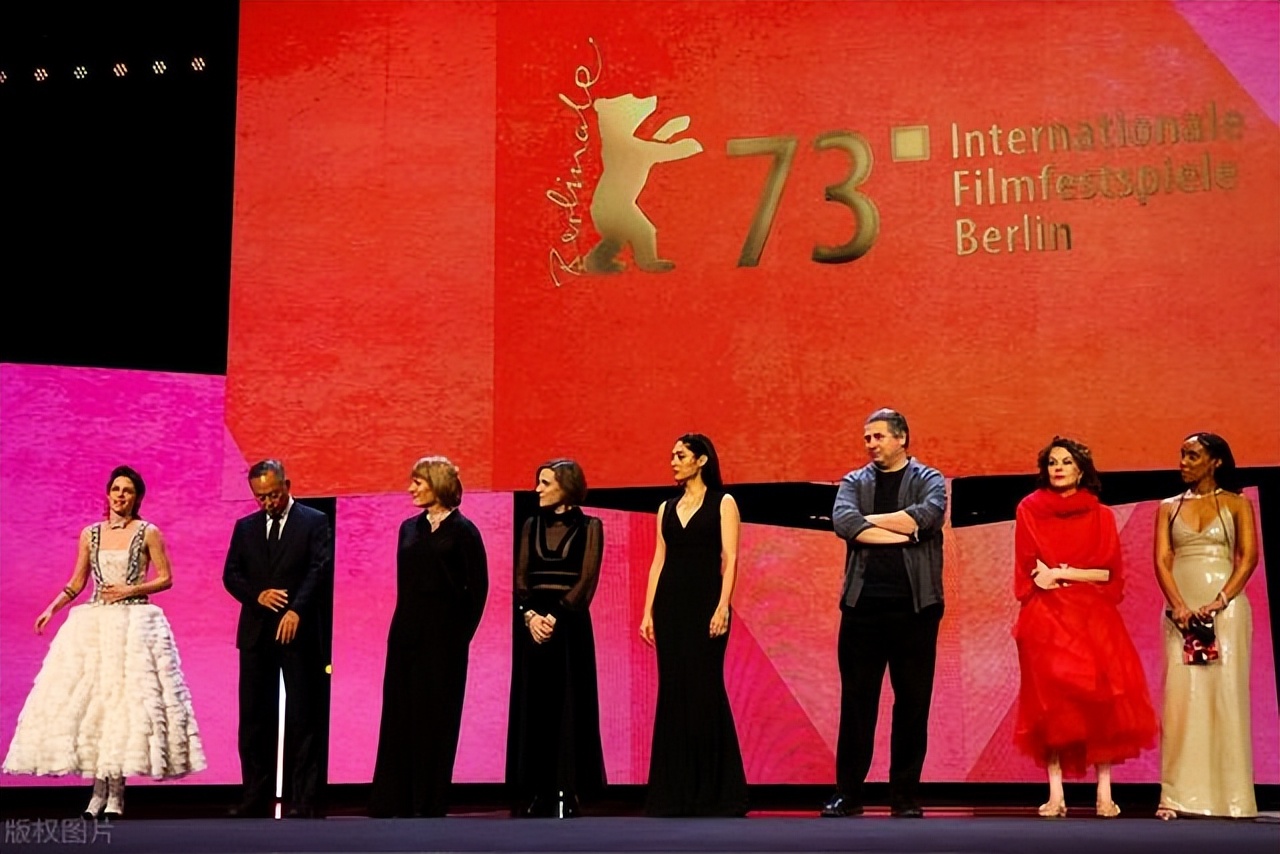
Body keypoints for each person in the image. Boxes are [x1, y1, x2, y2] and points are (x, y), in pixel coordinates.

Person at [3, 466, 205, 818]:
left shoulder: (148, 532)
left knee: (123, 708)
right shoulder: (90, 534)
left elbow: (166, 578)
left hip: (133, 624)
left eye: (127, 490)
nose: (120, 496)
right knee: (97, 707)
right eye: (115, 489)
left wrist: (131, 589)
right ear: (108, 493)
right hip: (95, 625)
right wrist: (52, 608)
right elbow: (78, 580)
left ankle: (116, 795)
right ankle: (97, 793)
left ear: (137, 497)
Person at [1012, 437, 1158, 818]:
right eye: (1052, 462)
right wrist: (1049, 577)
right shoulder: (1029, 508)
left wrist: (1061, 572)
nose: (1058, 468)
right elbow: (1029, 566)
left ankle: (1104, 793)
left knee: (1101, 702)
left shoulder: (1102, 514)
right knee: (1050, 702)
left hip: (1094, 617)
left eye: (1066, 462)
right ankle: (1055, 793)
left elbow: (1108, 572)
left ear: (1081, 469)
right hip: (1046, 616)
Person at [824, 408, 946, 818]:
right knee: (857, 703)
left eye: (877, 437)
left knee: (913, 703)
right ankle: (848, 793)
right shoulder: (853, 482)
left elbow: (926, 517)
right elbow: (843, 522)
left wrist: (867, 526)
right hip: (862, 610)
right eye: (867, 438)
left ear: (901, 438)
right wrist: (901, 533)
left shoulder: (928, 479)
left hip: (915, 610)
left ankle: (905, 796)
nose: (870, 444)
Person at [369, 456, 489, 817]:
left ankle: (429, 801)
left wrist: (458, 636)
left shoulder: (465, 531)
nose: (411, 489)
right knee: (400, 715)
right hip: (405, 635)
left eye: (418, 482)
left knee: (436, 719)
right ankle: (395, 800)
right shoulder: (408, 529)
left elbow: (478, 589)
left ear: (437, 483)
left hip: (445, 639)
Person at [639, 433, 748, 816]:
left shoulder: (723, 502)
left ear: (701, 460)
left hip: (706, 606)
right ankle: (674, 793)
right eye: (672, 455)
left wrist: (723, 607)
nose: (673, 461)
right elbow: (658, 561)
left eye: (680, 455)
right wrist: (647, 611)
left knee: (704, 690)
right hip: (670, 609)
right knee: (673, 692)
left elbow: (730, 558)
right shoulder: (666, 507)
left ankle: (718, 793)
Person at [1154, 433, 1258, 820]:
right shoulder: (1169, 507)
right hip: (1182, 612)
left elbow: (1248, 557)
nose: (1183, 461)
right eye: (1182, 454)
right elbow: (1162, 559)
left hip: (1225, 610)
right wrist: (1178, 605)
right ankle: (1177, 796)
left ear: (1215, 461)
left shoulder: (1237, 504)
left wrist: (1221, 599)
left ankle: (1233, 799)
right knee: (1183, 700)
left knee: (1225, 696)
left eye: (1193, 455)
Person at [223, 459, 332, 818]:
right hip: (256, 634)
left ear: (286, 485)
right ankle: (255, 797)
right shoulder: (246, 527)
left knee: (303, 716)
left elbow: (319, 569)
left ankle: (304, 800)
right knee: (254, 719)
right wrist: (258, 595)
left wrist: (295, 609)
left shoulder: (314, 522)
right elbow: (232, 574)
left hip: (298, 632)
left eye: (272, 494)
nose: (268, 502)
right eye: (260, 497)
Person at [506, 459, 606, 819]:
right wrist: (530, 616)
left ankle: (570, 788)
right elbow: (521, 579)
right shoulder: (530, 524)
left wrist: (555, 617)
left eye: (545, 483)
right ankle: (537, 789)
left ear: (565, 486)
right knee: (537, 707)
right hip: (534, 625)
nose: (538, 489)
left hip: (569, 625)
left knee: (569, 706)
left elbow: (587, 579)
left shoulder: (591, 526)